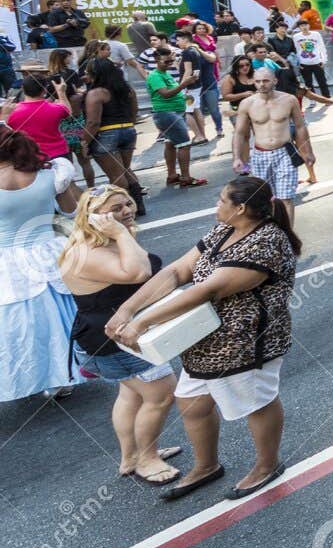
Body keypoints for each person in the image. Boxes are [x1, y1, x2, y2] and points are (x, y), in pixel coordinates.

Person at [105, 176, 300, 501]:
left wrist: (142, 322)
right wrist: (128, 310)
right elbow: (176, 272)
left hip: (245, 343)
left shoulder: (267, 241)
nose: (216, 205)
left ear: (240, 208)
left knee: (257, 404)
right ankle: (207, 466)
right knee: (191, 405)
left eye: (222, 200)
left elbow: (208, 289)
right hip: (204, 342)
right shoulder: (224, 231)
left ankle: (267, 465)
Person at [61, 186, 182, 485]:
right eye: (116, 208)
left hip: (113, 339)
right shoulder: (86, 251)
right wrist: (122, 234)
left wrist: (121, 234)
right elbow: (139, 274)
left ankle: (130, 457)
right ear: (92, 216)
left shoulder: (109, 240)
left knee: (131, 394)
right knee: (161, 393)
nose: (127, 210)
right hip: (112, 342)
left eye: (127, 203)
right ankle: (147, 459)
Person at [0, 130, 79, 404]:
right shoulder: (52, 173)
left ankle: (32, 376)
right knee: (61, 315)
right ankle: (64, 375)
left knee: (19, 322)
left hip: (6, 258)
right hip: (49, 249)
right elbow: (71, 212)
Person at [233, 65, 314, 220]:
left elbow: (300, 127)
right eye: (257, 81)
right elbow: (240, 133)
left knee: (286, 198)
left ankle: (288, 238)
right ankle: (272, 234)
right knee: (265, 200)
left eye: (265, 81)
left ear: (275, 81)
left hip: (284, 153)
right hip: (259, 155)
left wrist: (307, 152)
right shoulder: (247, 103)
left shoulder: (289, 100)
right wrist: (238, 158)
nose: (261, 84)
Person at [81, 57, 145, 216]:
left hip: (106, 134)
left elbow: (93, 123)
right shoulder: (127, 90)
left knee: (116, 175)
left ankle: (124, 211)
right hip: (128, 130)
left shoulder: (95, 93)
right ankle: (138, 206)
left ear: (95, 74)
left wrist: (84, 142)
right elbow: (134, 112)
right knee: (126, 169)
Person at [147, 48, 205, 189]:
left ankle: (172, 176)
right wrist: (184, 84)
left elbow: (173, 93)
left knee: (170, 143)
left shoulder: (164, 74)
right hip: (167, 114)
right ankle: (186, 178)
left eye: (171, 60)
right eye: (166, 61)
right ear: (156, 60)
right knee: (184, 144)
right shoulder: (155, 76)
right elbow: (166, 94)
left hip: (172, 113)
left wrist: (185, 97)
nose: (169, 63)